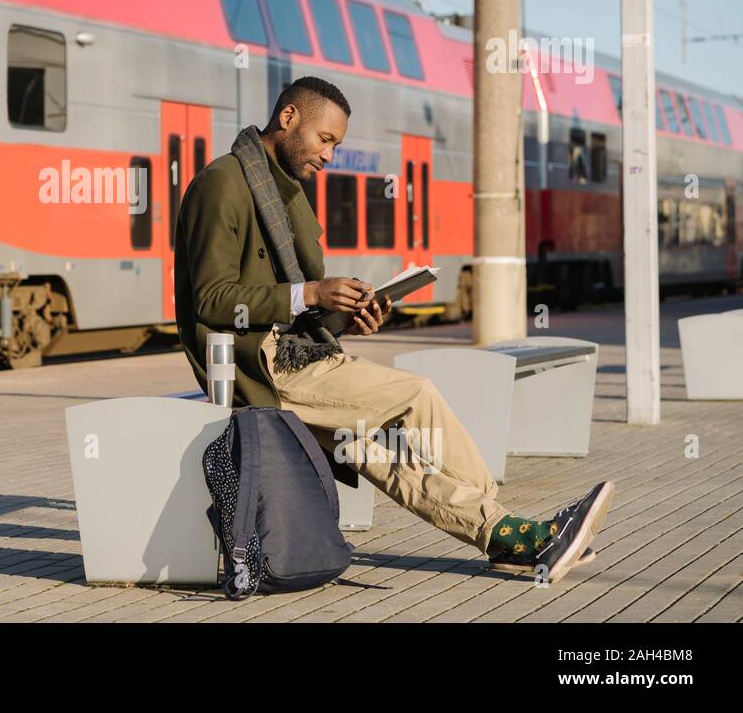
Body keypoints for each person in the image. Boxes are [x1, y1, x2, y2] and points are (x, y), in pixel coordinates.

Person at [173, 75, 614, 582]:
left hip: (292, 356)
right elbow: (210, 299)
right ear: (289, 117)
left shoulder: (282, 192)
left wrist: (344, 317)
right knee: (415, 393)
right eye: (326, 140)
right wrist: (313, 294)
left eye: (336, 145)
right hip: (261, 366)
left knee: (382, 456)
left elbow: (293, 306)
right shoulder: (223, 183)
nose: (330, 156)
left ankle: (510, 538)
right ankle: (515, 530)